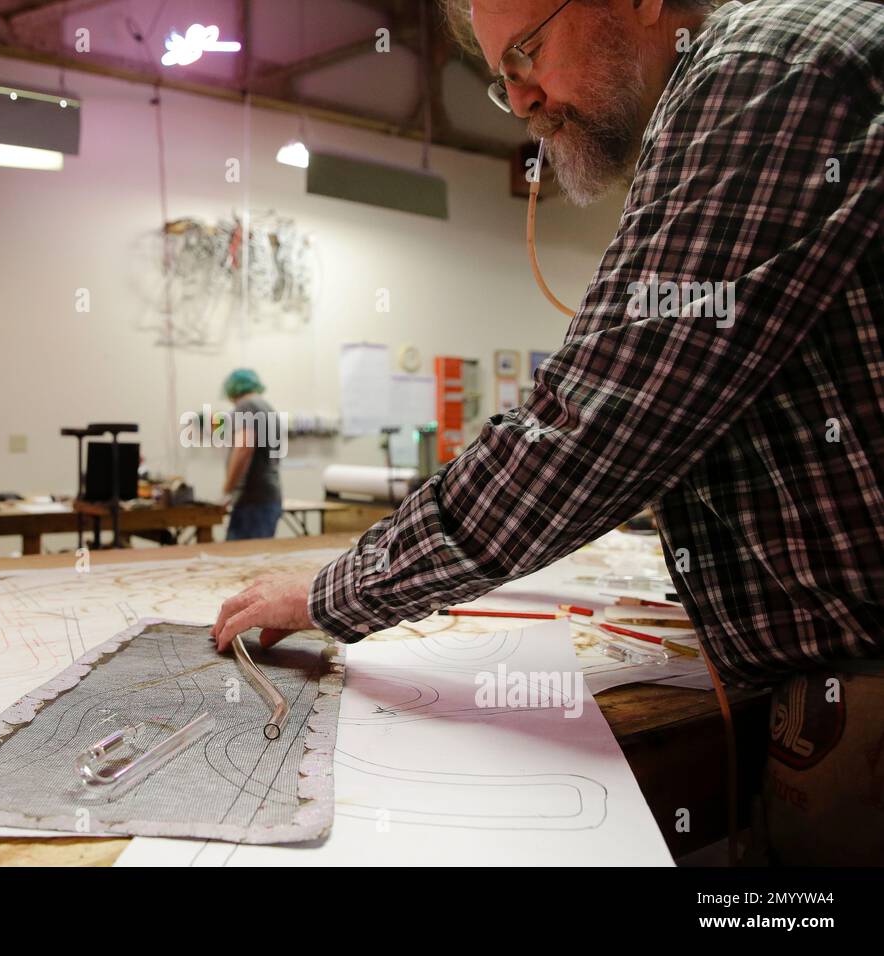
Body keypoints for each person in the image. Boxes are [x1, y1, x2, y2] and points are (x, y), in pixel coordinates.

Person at [211, 0, 883, 863]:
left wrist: (330, 595)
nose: (522, 98)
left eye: (528, 53)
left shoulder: (763, 71)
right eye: (502, 82)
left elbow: (594, 424)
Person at [220, 369, 283, 541]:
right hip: (267, 497)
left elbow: (243, 448)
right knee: (257, 560)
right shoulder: (267, 407)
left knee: (239, 562)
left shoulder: (245, 406)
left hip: (252, 501)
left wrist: (227, 490)